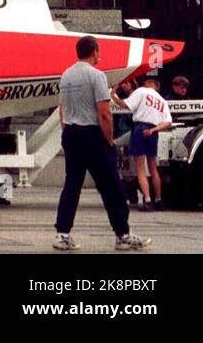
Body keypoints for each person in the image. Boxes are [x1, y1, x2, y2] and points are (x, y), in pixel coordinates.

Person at [53, 37, 149, 251]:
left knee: (72, 186)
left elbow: (62, 109)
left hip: (71, 132)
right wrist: (109, 140)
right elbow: (104, 112)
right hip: (92, 135)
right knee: (111, 186)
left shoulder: (66, 75)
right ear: (95, 52)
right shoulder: (97, 76)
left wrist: (67, 131)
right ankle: (122, 235)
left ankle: (62, 234)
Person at [111, 76, 174, 211]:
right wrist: (153, 129)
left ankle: (147, 200)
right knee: (153, 167)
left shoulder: (141, 91)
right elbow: (168, 122)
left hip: (140, 128)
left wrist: (113, 95)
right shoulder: (162, 100)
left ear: (148, 84)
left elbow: (125, 105)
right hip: (153, 130)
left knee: (140, 167)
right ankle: (158, 199)